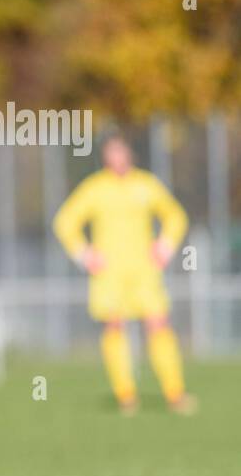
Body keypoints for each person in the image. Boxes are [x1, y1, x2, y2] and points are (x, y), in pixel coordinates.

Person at [52, 133, 195, 414]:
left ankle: (175, 392)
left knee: (158, 324)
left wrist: (165, 245)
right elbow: (65, 221)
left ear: (129, 155)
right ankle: (126, 395)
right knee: (115, 326)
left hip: (144, 270)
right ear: (105, 157)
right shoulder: (95, 188)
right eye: (111, 153)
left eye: (121, 152)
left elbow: (175, 215)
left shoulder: (145, 185)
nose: (117, 159)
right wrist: (84, 254)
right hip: (109, 273)